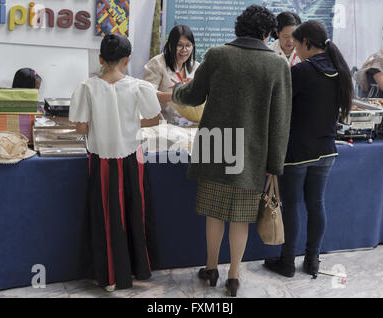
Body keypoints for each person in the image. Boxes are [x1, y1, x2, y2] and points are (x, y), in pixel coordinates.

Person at [172, 5, 292, 297]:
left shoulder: (217, 55)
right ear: (267, 33)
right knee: (240, 217)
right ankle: (234, 276)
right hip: (251, 154)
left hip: (216, 146)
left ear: (239, 26)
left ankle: (211, 268)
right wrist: (275, 163)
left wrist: (175, 91)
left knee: (214, 213)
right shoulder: (278, 64)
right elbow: (280, 120)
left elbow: (192, 96)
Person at [69, 34, 162, 291]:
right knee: (135, 212)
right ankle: (139, 268)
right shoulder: (138, 86)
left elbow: (80, 128)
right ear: (127, 59)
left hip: (101, 160)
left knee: (106, 215)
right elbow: (154, 119)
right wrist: (130, 123)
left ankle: (110, 275)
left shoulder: (86, 87)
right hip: (132, 156)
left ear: (100, 59)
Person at [264, 20, 353, 279]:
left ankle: (287, 261)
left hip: (297, 151)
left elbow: (280, 106)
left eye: (297, 43)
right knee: (316, 204)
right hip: (327, 149)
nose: (295, 48)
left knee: (291, 205)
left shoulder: (301, 71)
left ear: (306, 43)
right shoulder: (339, 70)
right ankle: (312, 260)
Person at [144, 25, 200, 125]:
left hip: (191, 125)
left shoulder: (196, 67)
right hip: (164, 125)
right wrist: (178, 94)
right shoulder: (157, 64)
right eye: (179, 45)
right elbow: (148, 95)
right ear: (170, 45)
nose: (184, 50)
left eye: (188, 45)